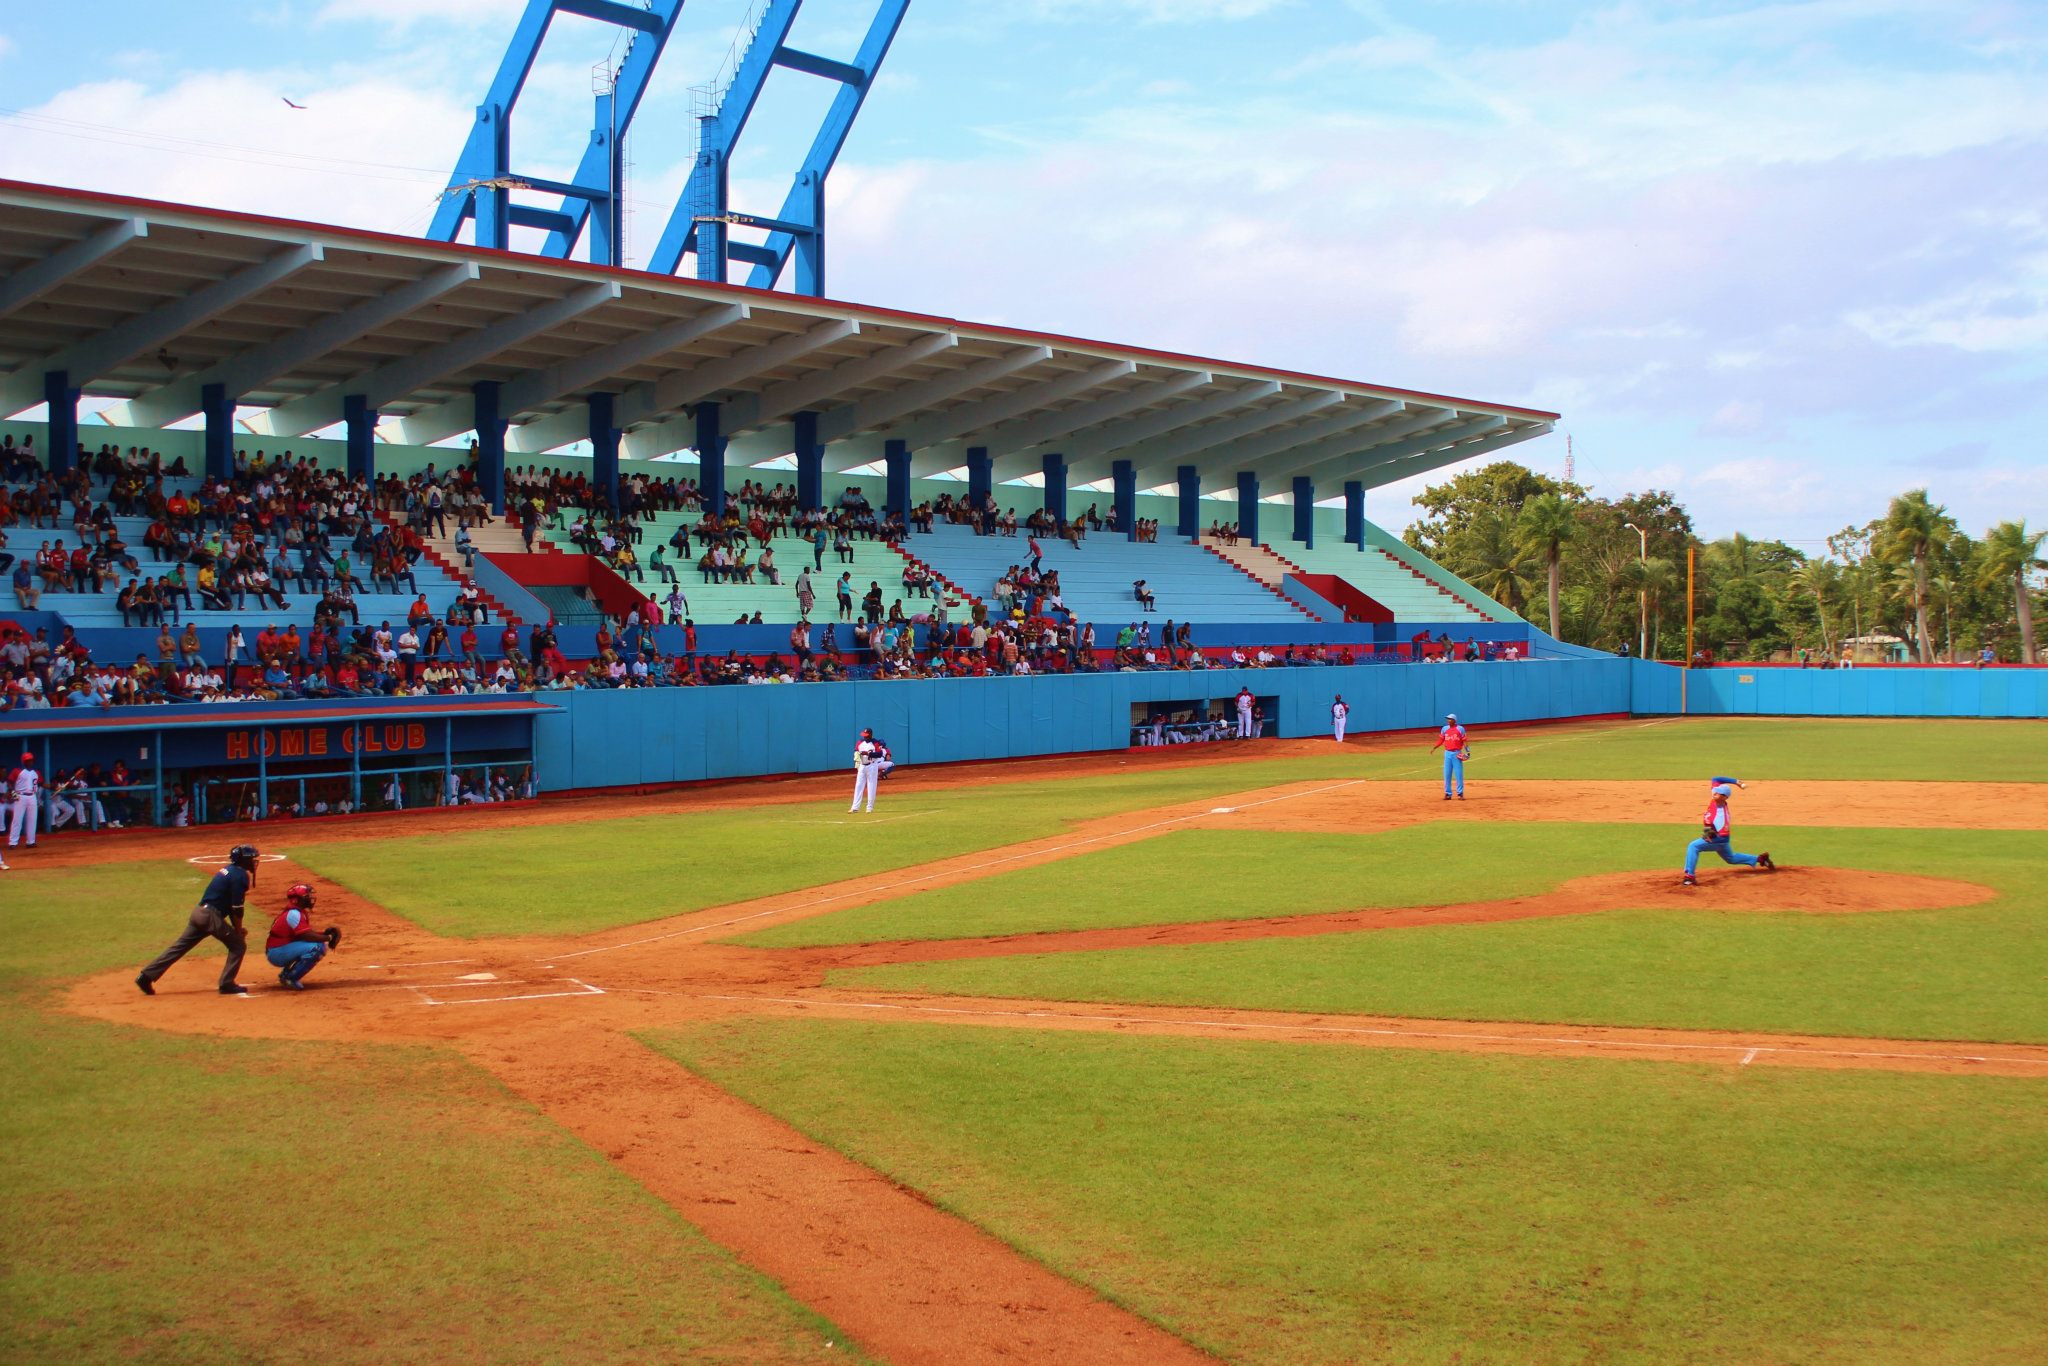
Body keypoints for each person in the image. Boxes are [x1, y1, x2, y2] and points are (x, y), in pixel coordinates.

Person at [136, 844, 260, 996]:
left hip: (199, 913)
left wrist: (237, 928)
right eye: (252, 858)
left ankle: (146, 976)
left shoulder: (229, 870)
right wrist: (239, 931)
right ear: (244, 860)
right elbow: (237, 908)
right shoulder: (240, 875)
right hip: (210, 917)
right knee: (238, 945)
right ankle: (226, 983)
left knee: (179, 947)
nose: (254, 861)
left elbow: (231, 907)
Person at [1683, 779, 1775, 886]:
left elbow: (1720, 834)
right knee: (1731, 858)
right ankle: (1760, 859)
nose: (1715, 793)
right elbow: (1716, 779)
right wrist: (1736, 782)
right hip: (1719, 838)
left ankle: (1689, 877)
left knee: (1693, 846)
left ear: (1724, 797)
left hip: (1720, 839)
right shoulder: (1716, 799)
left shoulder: (1721, 815)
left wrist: (1707, 836)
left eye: (1719, 793)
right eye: (1715, 791)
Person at [266, 882, 339, 990]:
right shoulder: (294, 914)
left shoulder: (297, 912)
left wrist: (323, 934)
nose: (310, 898)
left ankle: (286, 975)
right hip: (277, 952)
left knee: (315, 944)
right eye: (307, 896)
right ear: (297, 899)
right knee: (318, 947)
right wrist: (329, 938)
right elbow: (307, 936)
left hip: (278, 949)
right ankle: (290, 978)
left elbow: (305, 935)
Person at [7, 751, 40, 853]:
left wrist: (54, 787)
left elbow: (42, 784)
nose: (29, 762)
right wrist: (13, 794)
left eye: (31, 760)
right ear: (23, 761)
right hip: (20, 796)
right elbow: (10, 783)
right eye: (27, 760)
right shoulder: (17, 771)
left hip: (32, 796)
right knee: (17, 819)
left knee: (32, 819)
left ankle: (30, 841)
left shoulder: (36, 772)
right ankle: (13, 842)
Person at [1431, 712, 1469, 800]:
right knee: (1447, 774)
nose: (1448, 720)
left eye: (1450, 719)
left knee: (1458, 774)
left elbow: (1464, 741)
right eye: (1447, 719)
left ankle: (1460, 793)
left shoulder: (1460, 729)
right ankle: (1448, 794)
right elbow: (1441, 740)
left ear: (1454, 720)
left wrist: (1468, 752)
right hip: (1447, 754)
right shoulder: (1444, 729)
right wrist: (1434, 747)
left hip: (1457, 753)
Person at [850, 729, 883, 814]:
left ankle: (869, 808)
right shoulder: (860, 742)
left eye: (866, 735)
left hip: (872, 765)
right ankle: (855, 807)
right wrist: (857, 761)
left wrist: (869, 754)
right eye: (863, 735)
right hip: (862, 766)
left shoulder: (876, 743)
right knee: (858, 786)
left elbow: (879, 754)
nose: (864, 736)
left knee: (871, 786)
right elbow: (856, 752)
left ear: (870, 735)